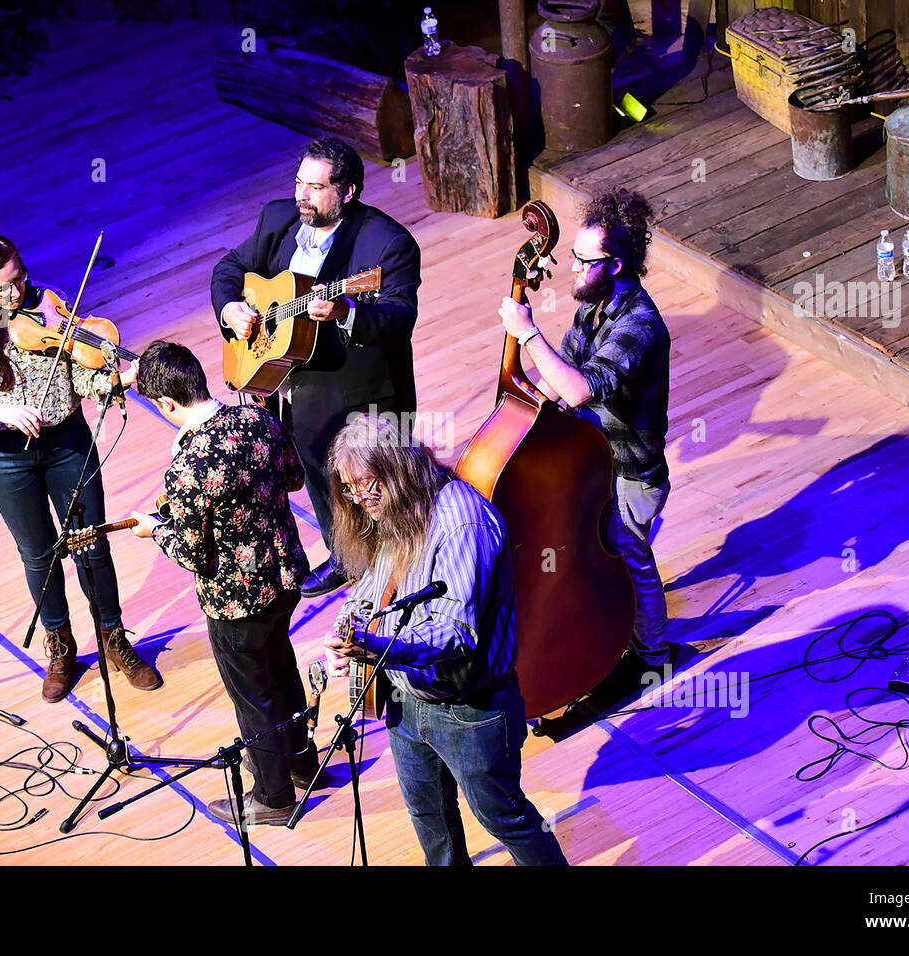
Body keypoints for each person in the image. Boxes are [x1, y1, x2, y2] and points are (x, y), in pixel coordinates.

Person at [322, 417, 568, 866]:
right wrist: (344, 630)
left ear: (397, 470)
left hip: (470, 709)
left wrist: (374, 643)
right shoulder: (396, 508)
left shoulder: (462, 524)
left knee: (503, 817)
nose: (358, 499)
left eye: (365, 485)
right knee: (430, 819)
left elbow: (456, 632)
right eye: (349, 489)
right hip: (405, 699)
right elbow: (375, 585)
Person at [0, 230, 161, 703]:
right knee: (38, 553)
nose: (15, 294)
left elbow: (81, 373)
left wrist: (117, 380)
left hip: (67, 441)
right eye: (1, 288)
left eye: (18, 279)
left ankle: (113, 636)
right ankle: (60, 645)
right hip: (5, 457)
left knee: (92, 545)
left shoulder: (50, 308)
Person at [211, 136, 421, 598]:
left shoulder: (387, 244)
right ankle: (346, 557)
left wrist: (347, 311)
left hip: (360, 384)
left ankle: (405, 568)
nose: (302, 195)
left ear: (347, 192)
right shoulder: (279, 217)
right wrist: (230, 310)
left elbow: (400, 318)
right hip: (292, 374)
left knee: (375, 486)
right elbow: (230, 267)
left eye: (315, 187)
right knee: (316, 471)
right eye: (299, 183)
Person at [129, 339, 318, 827]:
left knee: (252, 695)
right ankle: (301, 762)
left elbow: (193, 553)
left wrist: (157, 531)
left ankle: (274, 798)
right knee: (282, 669)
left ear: (166, 404)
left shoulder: (188, 466)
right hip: (286, 577)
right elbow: (294, 479)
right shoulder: (259, 420)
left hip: (237, 602)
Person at [497, 187, 673, 698]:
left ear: (616, 264)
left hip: (632, 476)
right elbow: (558, 380)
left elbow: (578, 389)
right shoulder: (592, 306)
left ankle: (654, 658)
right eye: (572, 256)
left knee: (630, 555)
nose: (572, 268)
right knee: (599, 552)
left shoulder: (639, 325)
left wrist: (528, 334)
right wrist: (517, 411)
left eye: (583, 261)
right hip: (598, 462)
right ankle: (611, 623)